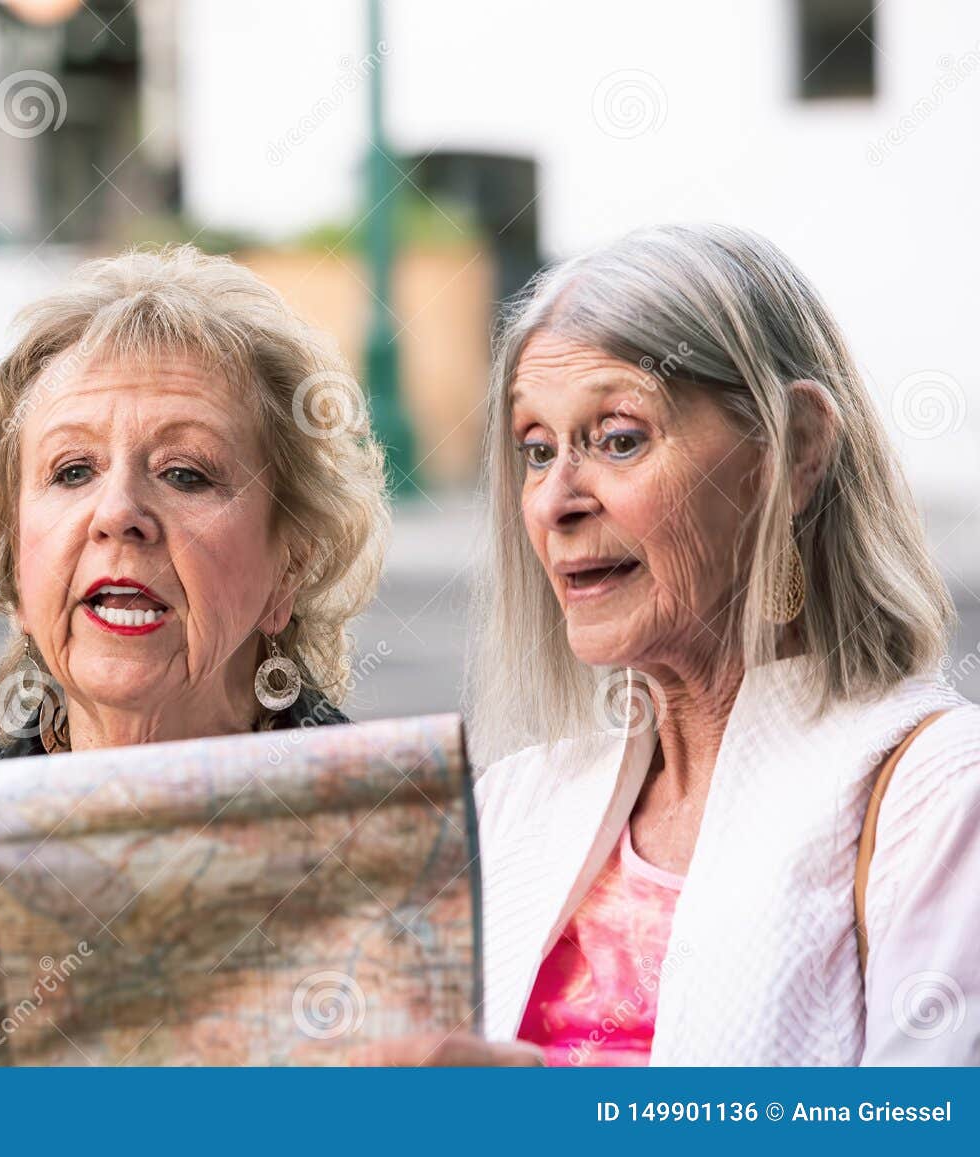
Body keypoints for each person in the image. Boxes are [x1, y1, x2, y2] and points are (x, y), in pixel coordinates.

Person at [369, 222, 980, 1067]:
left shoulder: (941, 799)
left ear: (793, 449)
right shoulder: (513, 802)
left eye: (619, 438)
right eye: (535, 450)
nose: (554, 501)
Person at [0, 245, 390, 769]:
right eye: (73, 471)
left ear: (290, 566)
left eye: (184, 474)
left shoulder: (404, 830)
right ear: (14, 558)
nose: (116, 514)